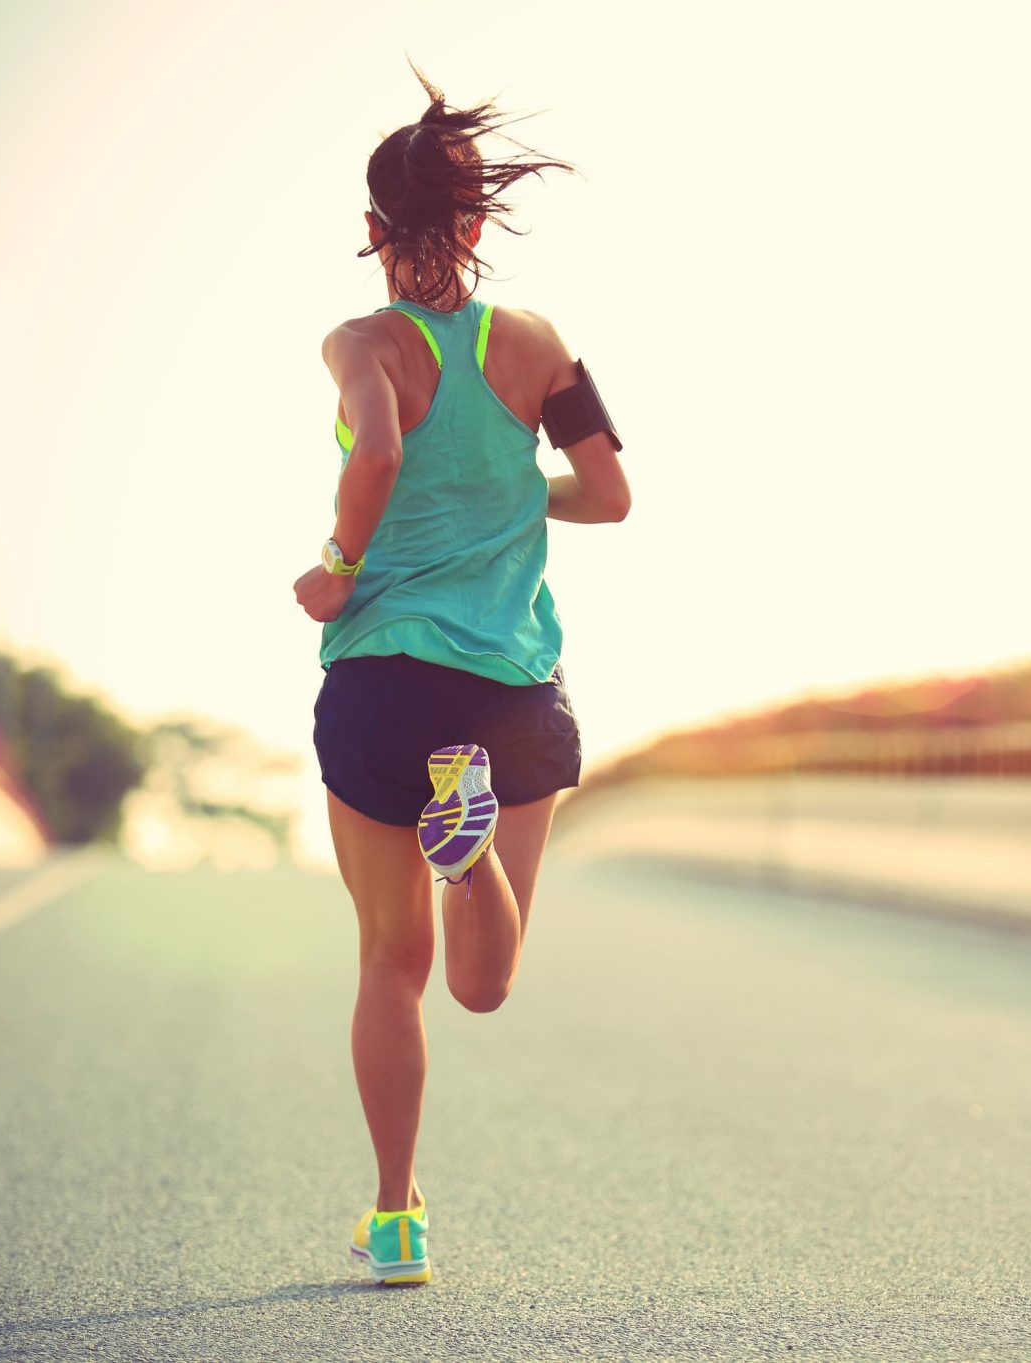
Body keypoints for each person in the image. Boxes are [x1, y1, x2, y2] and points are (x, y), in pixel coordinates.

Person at [294, 69, 630, 1287]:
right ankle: (470, 848)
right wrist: (508, 496)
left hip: (385, 679)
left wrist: (338, 564)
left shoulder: (360, 342)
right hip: (510, 694)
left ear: (374, 232)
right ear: (480, 226)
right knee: (485, 983)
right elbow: (610, 495)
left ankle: (395, 1217)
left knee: (392, 964)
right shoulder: (536, 345)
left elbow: (377, 447)